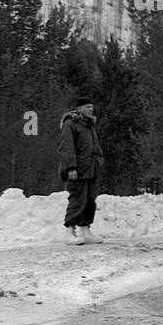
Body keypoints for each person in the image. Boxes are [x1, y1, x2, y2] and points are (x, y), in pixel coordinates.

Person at [58, 95, 106, 245]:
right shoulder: (71, 124)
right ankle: (69, 231)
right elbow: (66, 147)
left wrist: (99, 163)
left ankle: (85, 230)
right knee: (77, 200)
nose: (90, 109)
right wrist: (70, 167)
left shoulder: (89, 125)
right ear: (79, 109)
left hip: (92, 169)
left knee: (90, 201)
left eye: (91, 107)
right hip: (77, 170)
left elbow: (94, 148)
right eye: (87, 107)